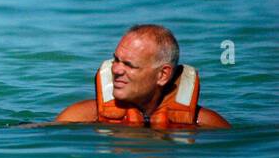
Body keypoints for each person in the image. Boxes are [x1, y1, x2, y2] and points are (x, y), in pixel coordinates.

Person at [55, 24, 229, 129]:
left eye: (129, 65)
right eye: (116, 60)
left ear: (163, 75)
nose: (116, 70)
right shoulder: (81, 116)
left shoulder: (206, 124)